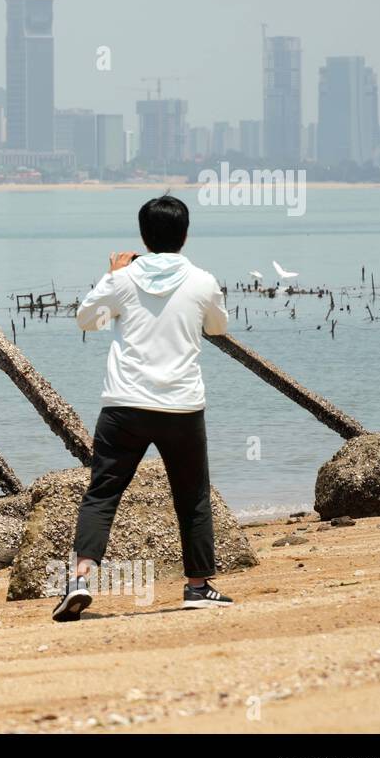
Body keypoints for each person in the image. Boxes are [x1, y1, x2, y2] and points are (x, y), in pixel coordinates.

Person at [53, 195, 233, 622]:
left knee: (102, 493)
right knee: (192, 499)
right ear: (185, 236)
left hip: (124, 406)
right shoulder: (202, 281)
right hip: (182, 407)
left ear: (143, 237)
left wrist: (112, 274)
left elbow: (86, 319)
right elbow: (219, 327)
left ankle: (79, 580)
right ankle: (197, 587)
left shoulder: (122, 279)